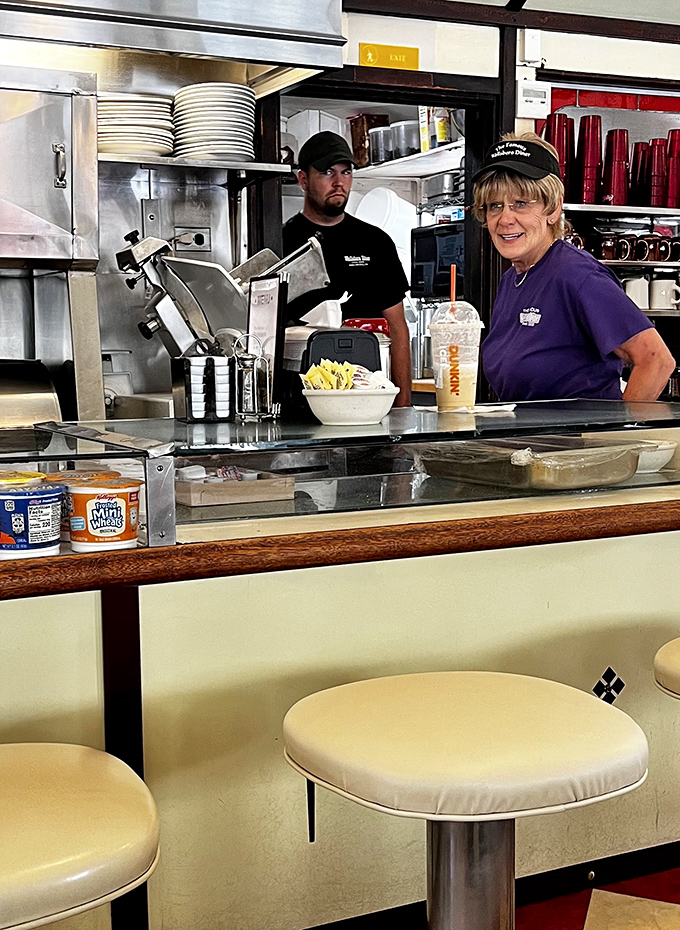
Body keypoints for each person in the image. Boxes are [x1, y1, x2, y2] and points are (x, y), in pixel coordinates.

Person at [472, 132, 675, 402]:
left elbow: (656, 360)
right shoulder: (512, 280)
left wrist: (620, 436)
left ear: (553, 209)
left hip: (575, 444)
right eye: (495, 206)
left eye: (521, 204)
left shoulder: (575, 275)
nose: (505, 219)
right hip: (528, 442)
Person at [283, 131, 412, 406]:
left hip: (369, 398)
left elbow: (398, 327)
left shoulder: (375, 242)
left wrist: (402, 409)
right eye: (328, 172)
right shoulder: (281, 240)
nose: (339, 182)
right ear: (303, 179)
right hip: (297, 399)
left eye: (346, 172)